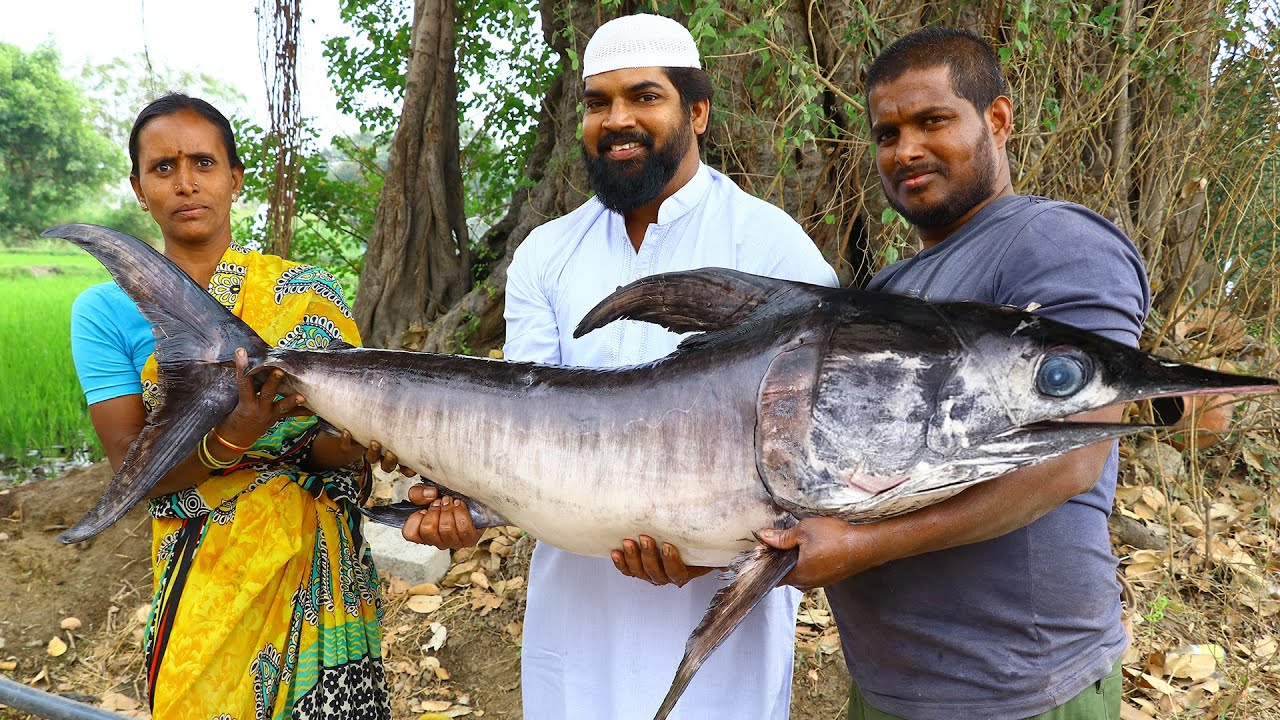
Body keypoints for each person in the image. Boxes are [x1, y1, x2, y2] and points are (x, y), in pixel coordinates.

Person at [400, 13, 838, 720]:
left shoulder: (771, 248)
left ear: (696, 112)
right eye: (598, 103)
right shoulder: (547, 252)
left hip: (720, 631)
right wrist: (470, 504)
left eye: (644, 97)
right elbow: (523, 434)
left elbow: (818, 453)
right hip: (580, 619)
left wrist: (709, 555)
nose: (617, 119)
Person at [757, 27, 1151, 720]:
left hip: (1020, 691)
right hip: (890, 689)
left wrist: (860, 547)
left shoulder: (1054, 242)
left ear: (997, 119)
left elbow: (1070, 462)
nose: (905, 149)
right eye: (886, 133)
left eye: (932, 120)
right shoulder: (881, 290)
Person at [70, 94, 391, 718]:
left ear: (235, 179)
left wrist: (353, 447)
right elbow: (137, 469)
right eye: (163, 168)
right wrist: (233, 438)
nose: (185, 182)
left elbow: (331, 451)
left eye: (203, 163)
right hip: (205, 580)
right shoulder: (105, 312)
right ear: (138, 187)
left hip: (317, 578)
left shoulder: (306, 295)